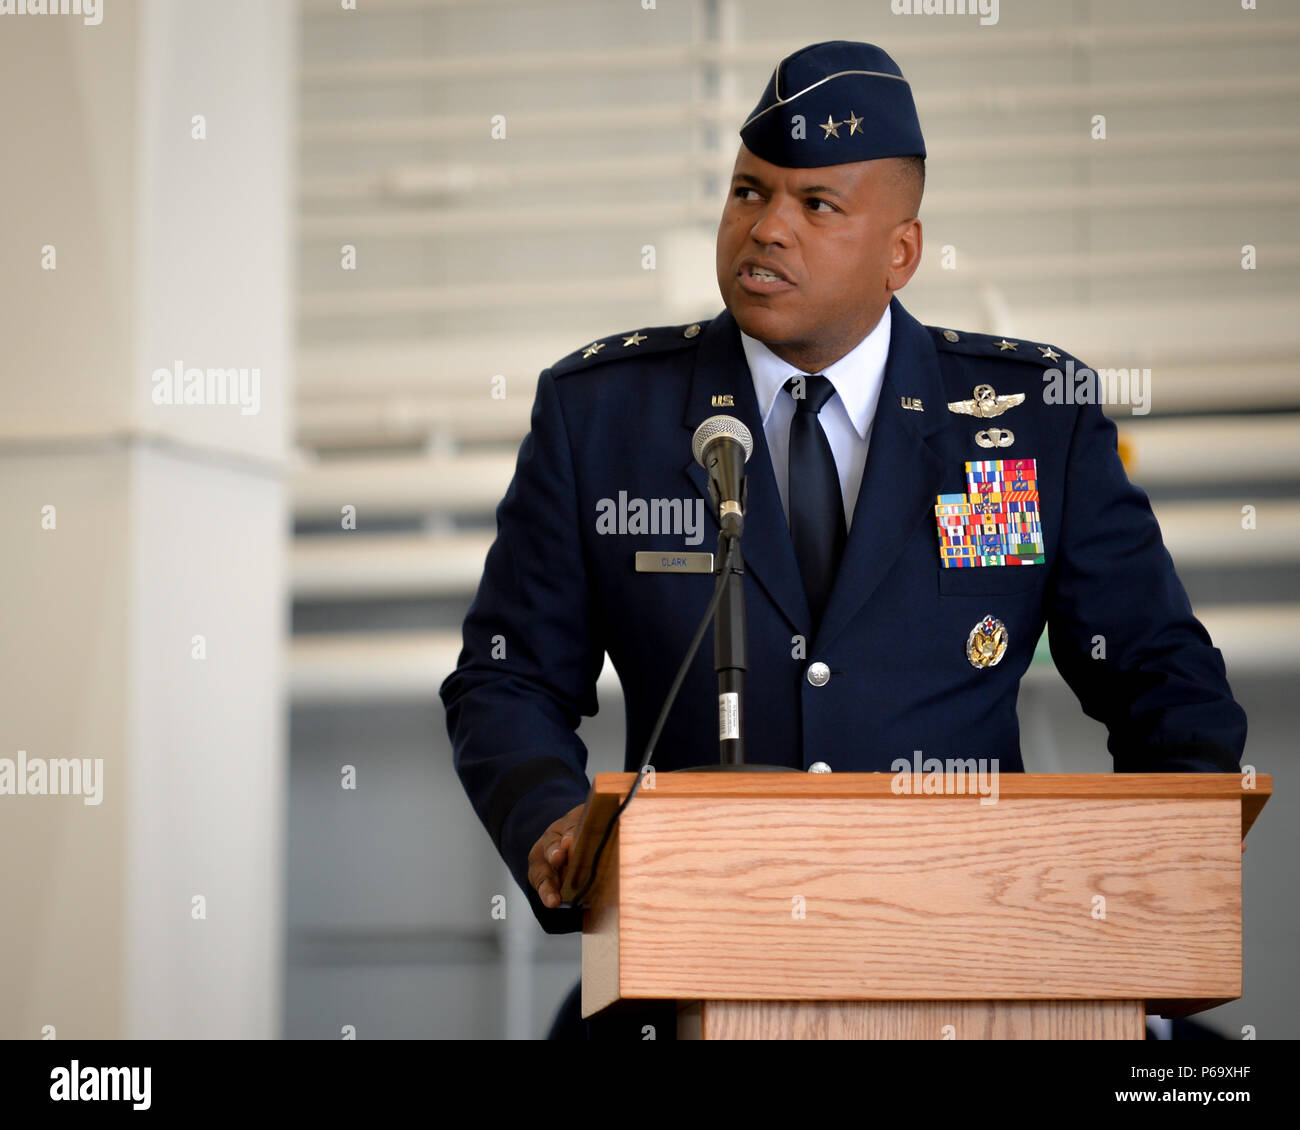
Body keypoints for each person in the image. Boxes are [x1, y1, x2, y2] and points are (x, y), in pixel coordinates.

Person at [438, 41, 1247, 1040]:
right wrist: (553, 819)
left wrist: (1147, 899)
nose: (765, 227)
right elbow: (506, 678)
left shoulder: (1032, 418)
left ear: (898, 251)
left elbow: (1165, 678)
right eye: (748, 191)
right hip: (690, 969)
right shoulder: (603, 417)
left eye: (816, 205)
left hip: (984, 975)